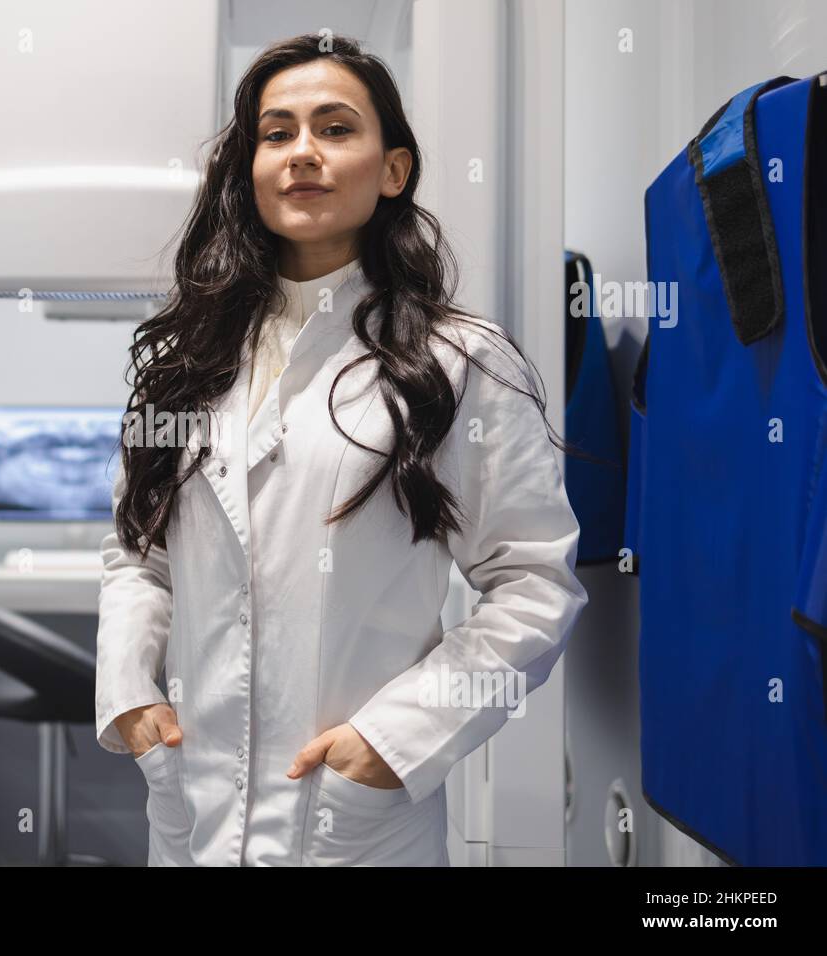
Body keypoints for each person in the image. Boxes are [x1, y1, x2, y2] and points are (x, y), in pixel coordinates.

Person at [95, 33, 589, 866]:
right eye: (277, 133)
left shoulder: (456, 362)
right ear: (248, 169)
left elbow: (533, 584)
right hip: (190, 810)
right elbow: (137, 558)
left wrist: (392, 743)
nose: (303, 155)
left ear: (393, 170)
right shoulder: (191, 362)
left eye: (335, 128)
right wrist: (131, 696)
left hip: (350, 823)